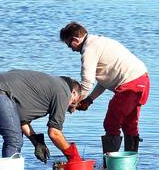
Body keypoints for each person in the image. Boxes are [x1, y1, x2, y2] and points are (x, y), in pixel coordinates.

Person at [58, 22, 150, 156]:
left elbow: (87, 82)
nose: (70, 49)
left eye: (69, 44)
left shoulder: (88, 50)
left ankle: (110, 167)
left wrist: (75, 102)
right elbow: (104, 81)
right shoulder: (99, 42)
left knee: (111, 123)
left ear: (76, 39)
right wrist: (89, 100)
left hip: (130, 84)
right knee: (129, 124)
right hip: (142, 79)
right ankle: (130, 166)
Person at [0, 69, 85, 163]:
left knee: (15, 138)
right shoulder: (63, 92)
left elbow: (18, 119)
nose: (70, 108)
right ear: (74, 93)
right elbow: (54, 133)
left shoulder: (54, 85)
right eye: (73, 103)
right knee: (14, 140)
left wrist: (36, 141)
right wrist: (73, 156)